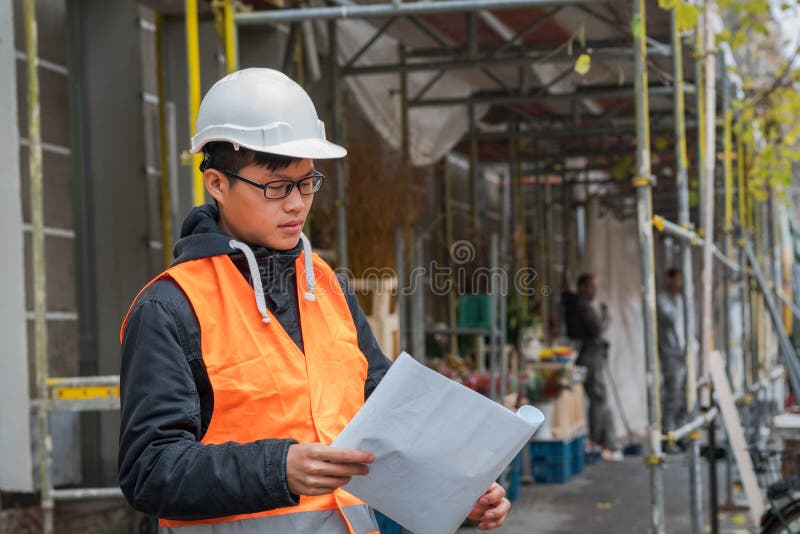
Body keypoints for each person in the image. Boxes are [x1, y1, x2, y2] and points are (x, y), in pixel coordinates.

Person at [118, 68, 510, 533]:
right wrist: (277, 468)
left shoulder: (328, 287)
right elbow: (149, 470)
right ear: (217, 183)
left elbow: (387, 421)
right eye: (276, 186)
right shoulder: (170, 307)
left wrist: (455, 493)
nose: (297, 204)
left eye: (307, 183)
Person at [572, 273, 620, 461]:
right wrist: (605, 318)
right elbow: (596, 330)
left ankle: (602, 440)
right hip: (590, 355)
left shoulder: (581, 305)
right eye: (591, 287)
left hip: (591, 353)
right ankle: (597, 440)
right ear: (582, 287)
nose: (594, 291)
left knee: (599, 397)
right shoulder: (582, 306)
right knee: (599, 396)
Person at [657, 268, 688, 444]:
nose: (679, 284)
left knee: (685, 395)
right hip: (670, 353)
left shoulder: (683, 300)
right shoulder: (663, 300)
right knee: (672, 394)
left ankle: (681, 431)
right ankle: (668, 434)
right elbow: (671, 318)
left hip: (684, 352)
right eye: (676, 280)